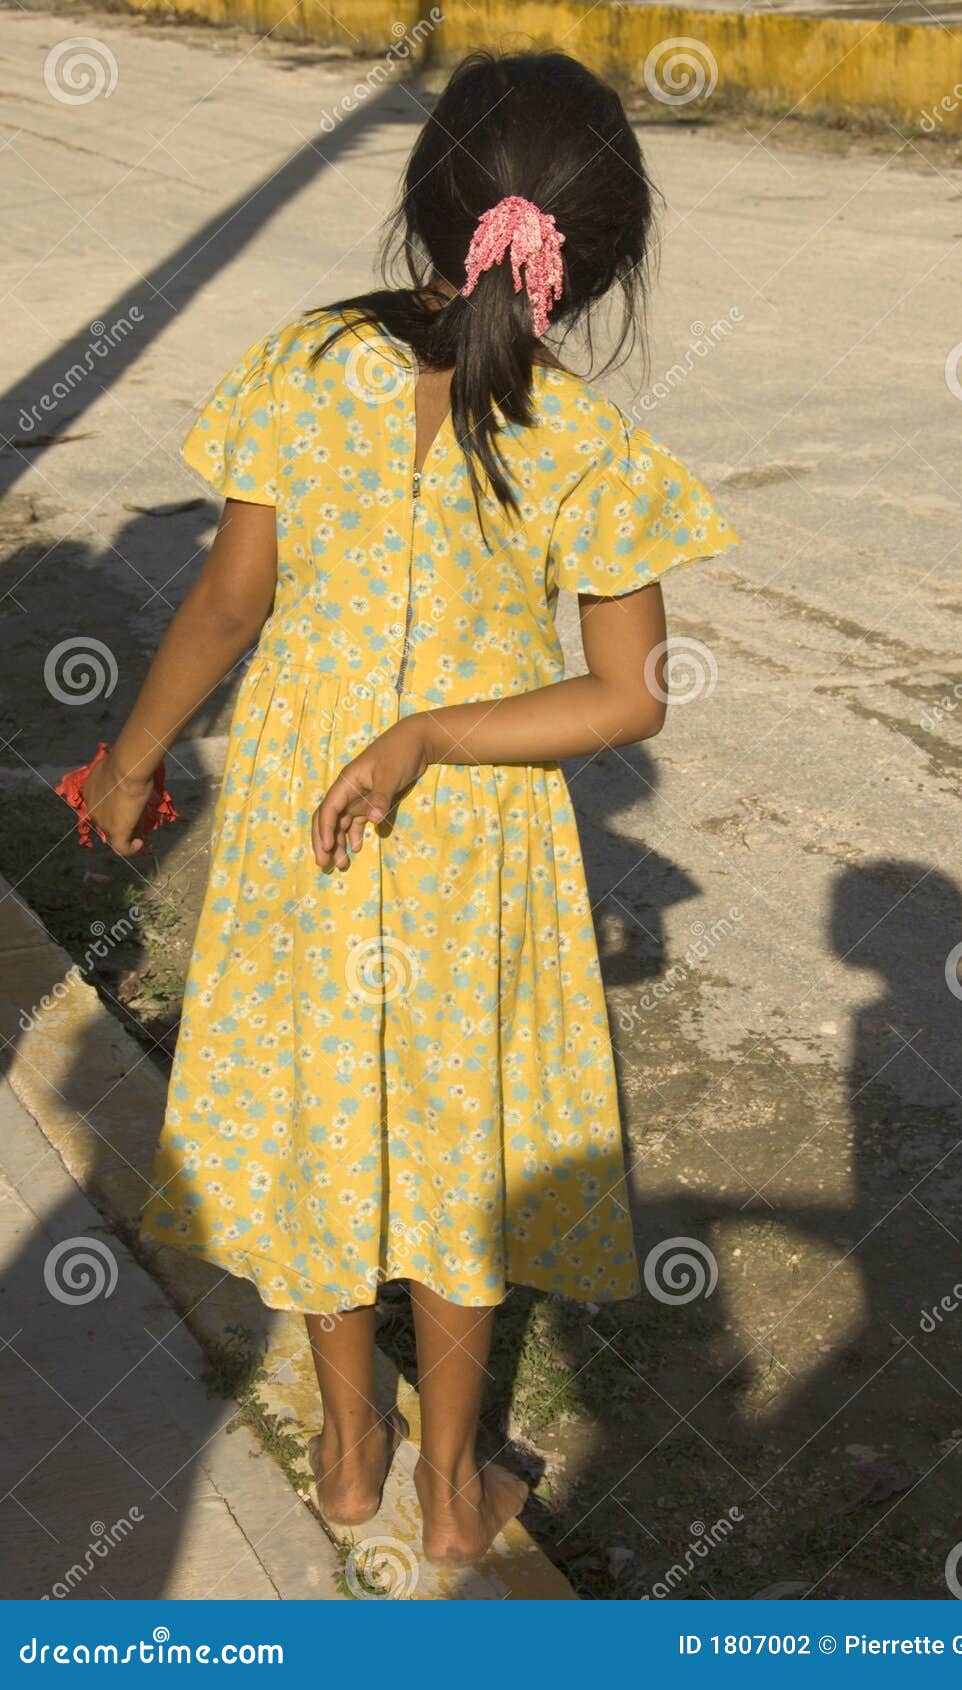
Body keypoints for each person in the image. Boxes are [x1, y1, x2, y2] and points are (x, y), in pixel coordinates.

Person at [72, 48, 739, 1568]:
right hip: (473, 837)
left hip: (305, 814)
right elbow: (629, 696)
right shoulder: (585, 443)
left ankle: (347, 1451)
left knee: (323, 1110)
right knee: (453, 1137)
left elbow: (230, 601)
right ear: (602, 257)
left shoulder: (304, 367)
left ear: (423, 198)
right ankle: (453, 1488)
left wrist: (133, 755)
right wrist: (436, 731)